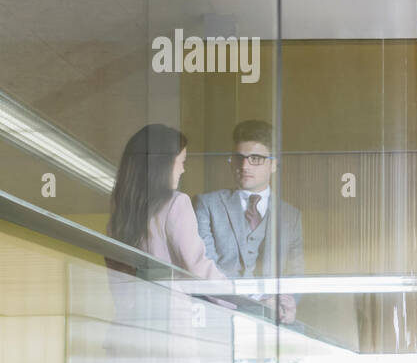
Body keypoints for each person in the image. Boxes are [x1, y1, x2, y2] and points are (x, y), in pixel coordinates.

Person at [194, 120, 304, 324]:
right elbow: (205, 265)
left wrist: (285, 303)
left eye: (255, 158)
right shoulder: (207, 204)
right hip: (219, 314)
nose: (244, 166)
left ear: (273, 164)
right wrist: (255, 302)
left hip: (272, 319)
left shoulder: (291, 216)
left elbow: (296, 274)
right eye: (239, 158)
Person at [107, 123, 226, 283]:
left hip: (133, 306)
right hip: (171, 306)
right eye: (182, 161)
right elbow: (198, 266)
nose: (183, 170)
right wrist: (238, 298)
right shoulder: (176, 203)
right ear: (164, 163)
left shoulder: (121, 210)